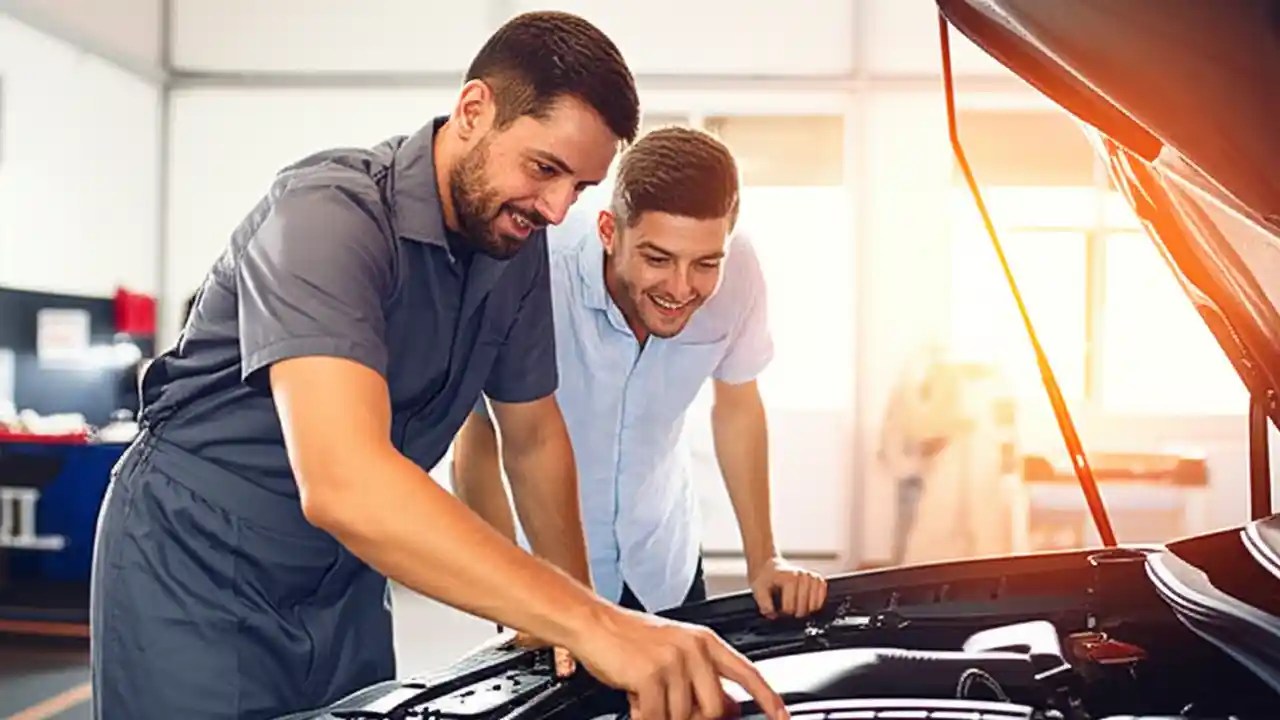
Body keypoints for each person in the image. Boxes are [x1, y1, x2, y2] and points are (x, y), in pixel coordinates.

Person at [88, 12, 787, 720]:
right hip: (196, 564)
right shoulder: (327, 216)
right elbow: (343, 480)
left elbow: (535, 436)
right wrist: (595, 623)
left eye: (577, 188)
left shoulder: (515, 250)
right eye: (545, 168)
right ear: (474, 110)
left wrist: (578, 632)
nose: (554, 208)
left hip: (344, 580)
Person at [452, 126, 828, 624]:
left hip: (663, 565)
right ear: (609, 231)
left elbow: (738, 407)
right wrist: (513, 596)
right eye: (658, 259)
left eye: (704, 264)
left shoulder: (739, 272)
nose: (681, 287)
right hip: (547, 578)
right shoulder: (534, 270)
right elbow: (476, 437)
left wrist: (763, 560)